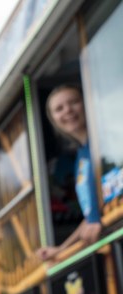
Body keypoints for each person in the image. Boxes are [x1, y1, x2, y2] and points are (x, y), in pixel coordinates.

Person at [37, 84, 102, 261]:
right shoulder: (81, 158)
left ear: (86, 102)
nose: (68, 110)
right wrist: (60, 249)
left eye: (73, 102)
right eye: (59, 109)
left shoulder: (104, 141)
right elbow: (91, 215)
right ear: (53, 119)